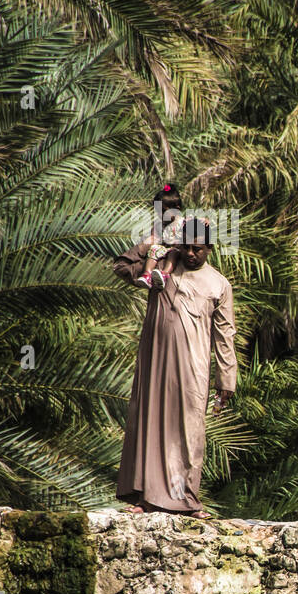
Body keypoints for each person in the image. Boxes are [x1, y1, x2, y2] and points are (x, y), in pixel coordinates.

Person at [113, 214, 236, 519]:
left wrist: (227, 379)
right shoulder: (162, 269)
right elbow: (120, 266)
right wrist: (155, 239)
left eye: (198, 249)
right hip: (155, 360)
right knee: (150, 422)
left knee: (189, 430)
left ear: (209, 248)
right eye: (186, 247)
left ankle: (187, 499)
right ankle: (144, 497)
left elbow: (225, 335)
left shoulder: (218, 284)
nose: (191, 254)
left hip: (192, 366)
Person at [136, 183, 183, 289]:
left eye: (163, 211)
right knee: (153, 250)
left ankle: (165, 273)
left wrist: (203, 221)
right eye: (158, 212)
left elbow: (195, 223)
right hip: (164, 249)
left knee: (173, 253)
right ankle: (147, 274)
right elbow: (155, 237)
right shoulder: (160, 225)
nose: (160, 215)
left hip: (176, 249)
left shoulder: (182, 222)